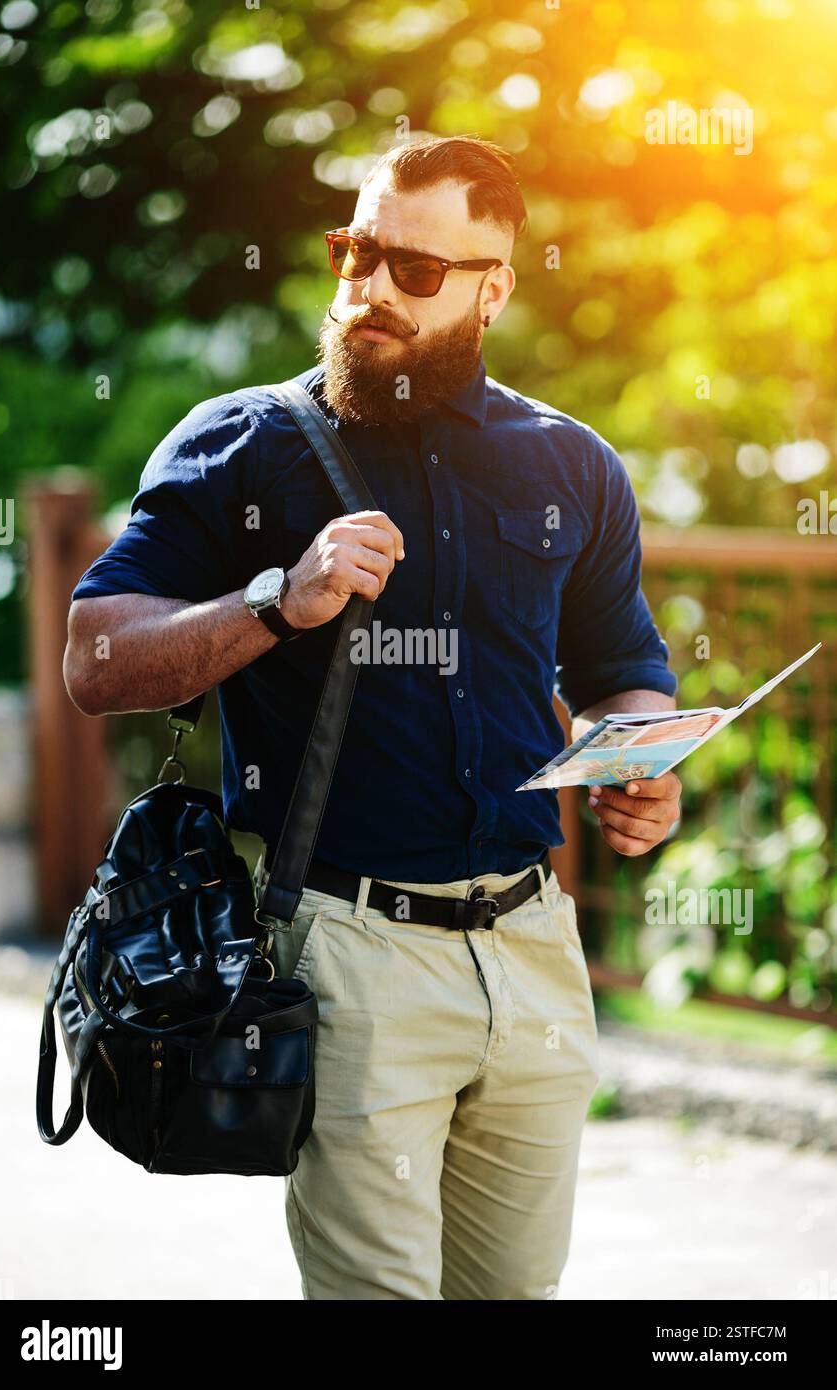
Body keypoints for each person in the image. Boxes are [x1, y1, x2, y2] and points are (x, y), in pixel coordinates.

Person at [64, 135, 682, 1300]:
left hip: (535, 947)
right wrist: (275, 601)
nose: (366, 293)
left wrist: (644, 762)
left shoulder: (571, 463)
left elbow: (619, 667)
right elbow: (95, 659)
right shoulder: (237, 444)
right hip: (350, 953)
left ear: (492, 286)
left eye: (412, 270)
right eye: (355, 253)